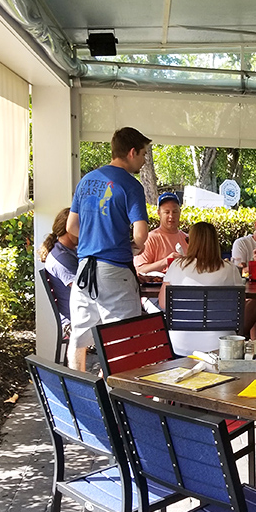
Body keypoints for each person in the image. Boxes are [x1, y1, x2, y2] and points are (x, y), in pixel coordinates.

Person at [66, 127, 151, 371]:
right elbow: (141, 235)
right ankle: (114, 392)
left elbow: (71, 226)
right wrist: (131, 246)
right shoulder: (131, 186)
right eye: (143, 154)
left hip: (84, 270)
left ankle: (79, 388)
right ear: (132, 152)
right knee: (122, 340)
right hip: (114, 272)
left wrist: (95, 238)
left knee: (79, 337)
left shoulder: (86, 181)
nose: (144, 160)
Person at [159, 221, 244, 356]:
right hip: (220, 345)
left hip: (180, 344)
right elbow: (239, 305)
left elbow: (164, 303)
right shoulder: (230, 269)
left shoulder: (176, 265)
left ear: (192, 242)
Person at [38, 207, 78, 322]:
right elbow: (83, 290)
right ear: (69, 228)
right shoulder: (62, 257)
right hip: (73, 323)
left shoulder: (68, 250)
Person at [134, 192, 188, 276]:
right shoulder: (150, 239)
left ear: (180, 212)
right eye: (167, 212)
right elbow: (139, 270)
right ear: (159, 213)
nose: (171, 216)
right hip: (158, 283)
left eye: (175, 212)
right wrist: (166, 261)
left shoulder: (188, 238)